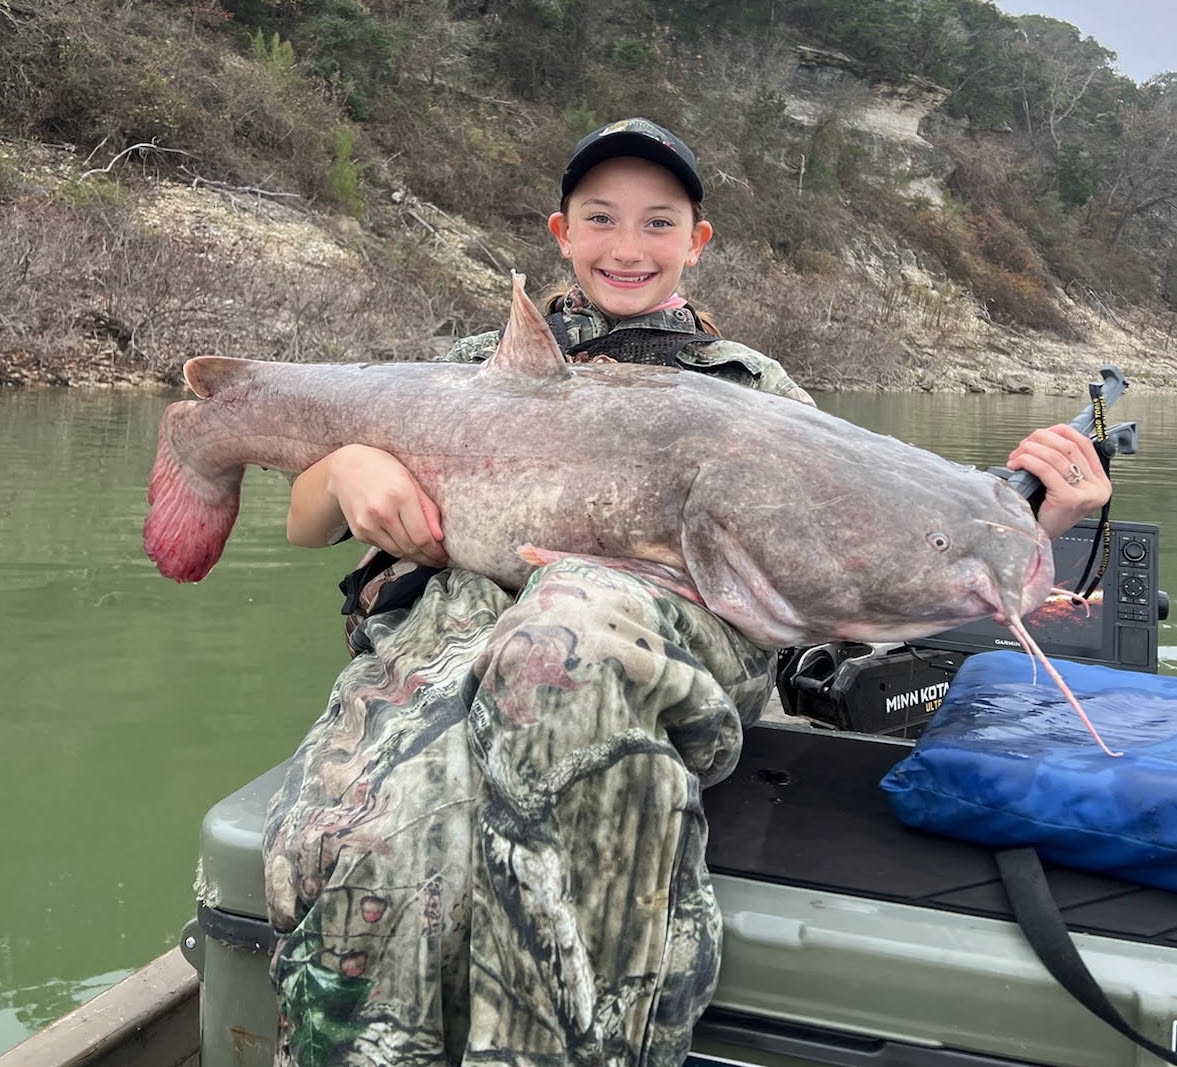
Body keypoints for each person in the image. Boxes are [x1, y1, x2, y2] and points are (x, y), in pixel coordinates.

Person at [263, 118, 1112, 1067]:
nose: (627, 247)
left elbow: (854, 555)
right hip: (451, 635)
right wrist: (341, 467)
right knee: (388, 826)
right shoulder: (471, 369)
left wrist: (1034, 534)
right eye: (601, 219)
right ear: (561, 230)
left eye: (657, 223)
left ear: (695, 241)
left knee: (566, 636)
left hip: (647, 639)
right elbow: (306, 526)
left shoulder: (756, 389)